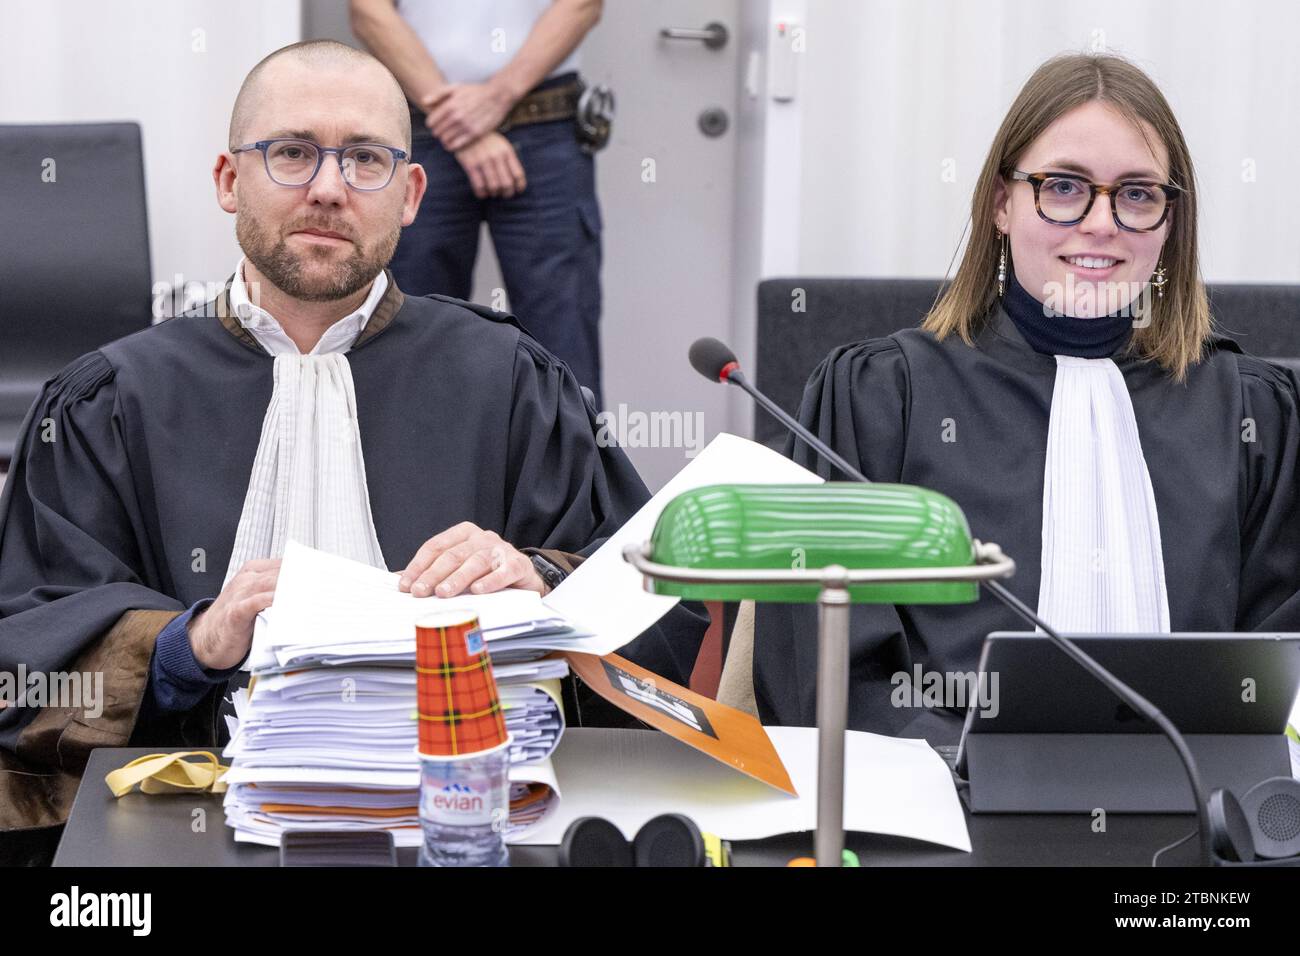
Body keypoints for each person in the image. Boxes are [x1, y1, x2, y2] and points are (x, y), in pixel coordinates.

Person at [0, 40, 703, 858]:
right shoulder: (110, 400)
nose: (329, 189)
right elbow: (27, 661)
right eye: (292, 152)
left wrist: (537, 576)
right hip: (189, 818)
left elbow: (661, 609)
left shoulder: (510, 382)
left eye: (365, 159)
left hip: (466, 818)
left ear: (408, 195)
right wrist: (185, 644)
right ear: (230, 180)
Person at [754, 53, 1300, 743]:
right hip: (944, 814)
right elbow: (824, 682)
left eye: (1137, 193)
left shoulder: (1251, 412)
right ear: (1001, 203)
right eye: (1065, 186)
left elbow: (1276, 677)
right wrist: (980, 775)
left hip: (1192, 820)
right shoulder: (879, 398)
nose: (1103, 223)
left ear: (1169, 224)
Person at [350, 0, 608, 405]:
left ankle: (573, 468)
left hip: (542, 123)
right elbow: (368, 10)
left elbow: (582, 5)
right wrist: (459, 120)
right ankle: (411, 469)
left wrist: (495, 98)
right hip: (422, 123)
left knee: (564, 344)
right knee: (407, 336)